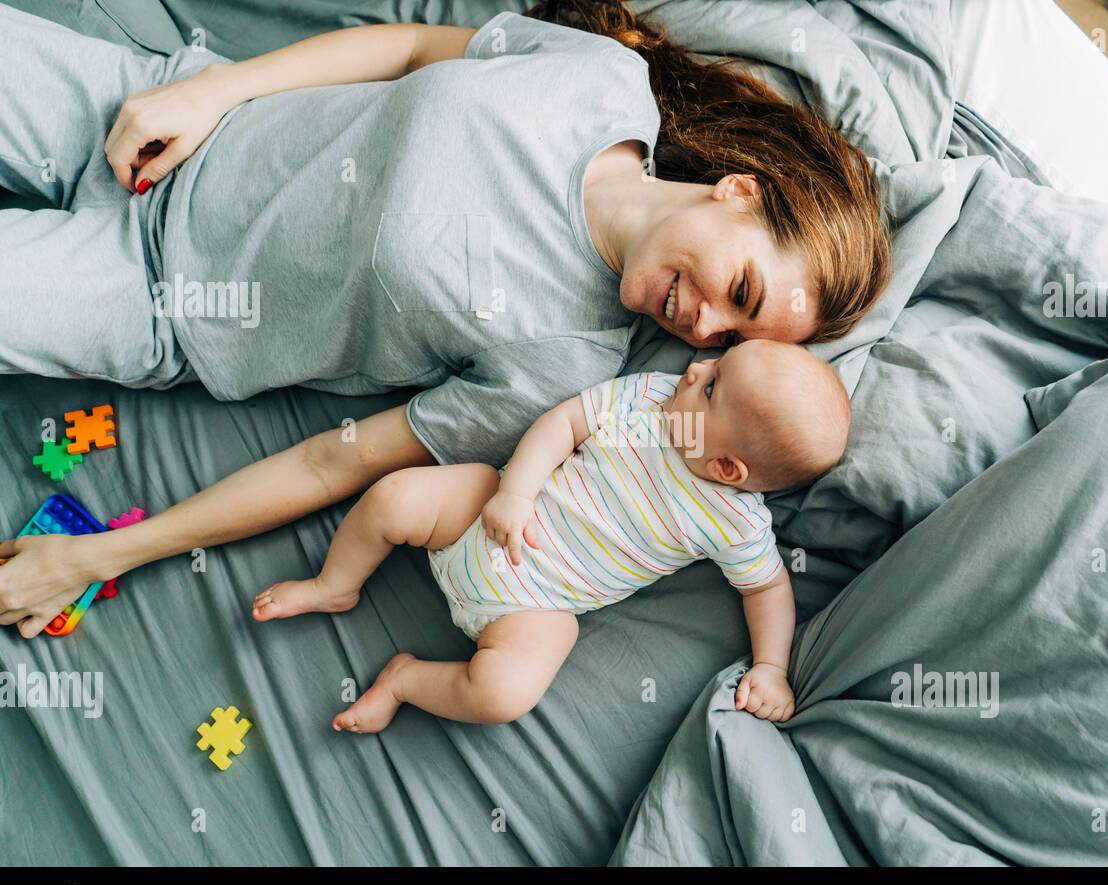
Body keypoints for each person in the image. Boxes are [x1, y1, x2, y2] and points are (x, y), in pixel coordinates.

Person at [0, 1, 890, 637]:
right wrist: (209, 93)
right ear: (741, 193)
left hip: (148, 294)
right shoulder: (604, 82)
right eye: (739, 290)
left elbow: (331, 461)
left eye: (730, 340)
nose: (701, 328)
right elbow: (417, 45)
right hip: (163, 111)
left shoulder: (564, 370)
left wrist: (102, 558)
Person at [247, 340, 850, 728]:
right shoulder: (650, 397)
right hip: (485, 514)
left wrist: (770, 666)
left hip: (535, 604)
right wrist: (515, 492)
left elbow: (766, 591)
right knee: (396, 496)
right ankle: (335, 583)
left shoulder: (736, 522)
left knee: (505, 694)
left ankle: (405, 681)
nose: (695, 366)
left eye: (712, 385)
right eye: (717, 361)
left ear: (727, 469)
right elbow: (563, 424)